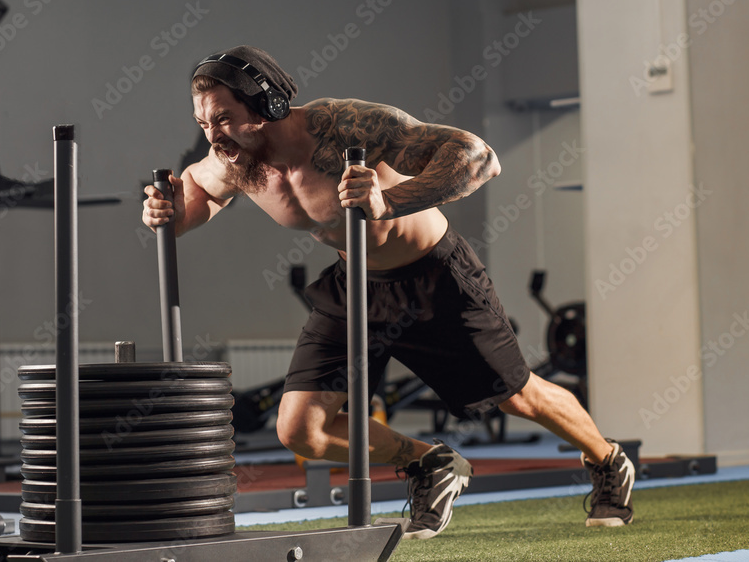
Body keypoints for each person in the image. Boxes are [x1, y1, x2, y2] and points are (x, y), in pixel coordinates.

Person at [142, 45, 635, 539]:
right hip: (353, 282)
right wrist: (175, 216)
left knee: (517, 396)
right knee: (301, 431)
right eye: (204, 122)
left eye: (224, 118)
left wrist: (388, 200)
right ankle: (432, 463)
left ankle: (608, 460)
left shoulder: (343, 127)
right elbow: (200, 190)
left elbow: (479, 158)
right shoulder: (234, 158)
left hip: (435, 276)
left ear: (265, 104)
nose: (213, 133)